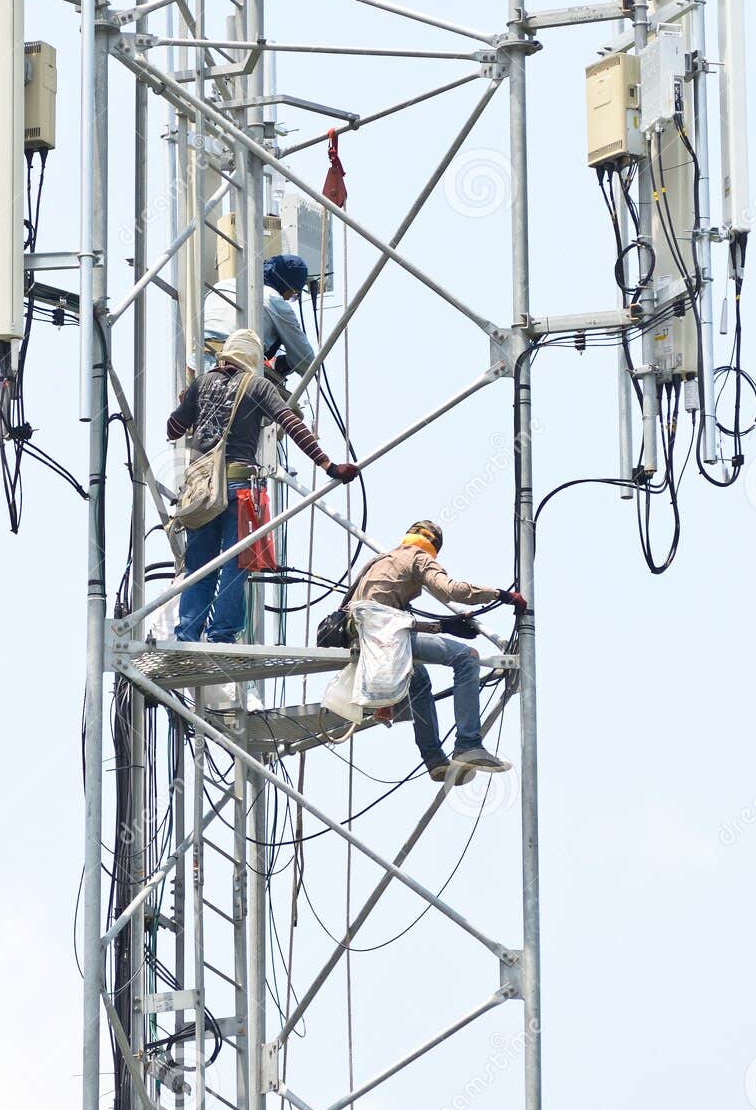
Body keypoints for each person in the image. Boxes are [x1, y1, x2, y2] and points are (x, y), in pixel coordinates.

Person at [167, 328, 358, 655]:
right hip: (240, 488)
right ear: (253, 360)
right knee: (234, 565)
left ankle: (186, 635)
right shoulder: (257, 385)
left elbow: (172, 429)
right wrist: (328, 466)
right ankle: (220, 639)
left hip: (199, 492)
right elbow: (293, 425)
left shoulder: (201, 385)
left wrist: (188, 403)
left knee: (199, 566)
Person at [349, 519, 525, 782]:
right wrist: (501, 595)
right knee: (467, 658)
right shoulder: (418, 557)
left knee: (419, 679)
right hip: (384, 637)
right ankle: (468, 744)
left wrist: (444, 626)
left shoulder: (380, 561)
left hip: (364, 638)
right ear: (435, 547)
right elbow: (450, 590)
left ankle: (434, 761)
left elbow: (383, 615)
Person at [204, 254, 316, 379]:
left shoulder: (221, 285)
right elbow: (307, 361)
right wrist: (285, 363)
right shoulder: (275, 301)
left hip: (197, 363)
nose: (288, 298)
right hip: (232, 371)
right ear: (286, 284)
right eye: (294, 294)